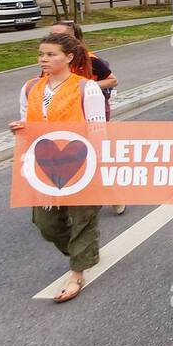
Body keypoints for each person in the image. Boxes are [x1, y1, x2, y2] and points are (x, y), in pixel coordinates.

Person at [9, 33, 107, 303]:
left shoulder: (86, 88)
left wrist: (97, 164)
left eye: (51, 54)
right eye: (41, 54)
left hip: (80, 163)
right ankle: (82, 252)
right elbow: (27, 123)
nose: (44, 59)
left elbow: (98, 130)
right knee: (46, 223)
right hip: (44, 165)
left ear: (69, 57)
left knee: (83, 218)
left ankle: (77, 271)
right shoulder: (30, 88)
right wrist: (18, 130)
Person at [50, 19, 122, 214]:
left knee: (95, 156)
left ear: (73, 39)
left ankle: (113, 194)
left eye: (59, 36)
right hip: (64, 115)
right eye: (51, 35)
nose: (52, 39)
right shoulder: (50, 61)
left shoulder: (89, 59)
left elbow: (112, 80)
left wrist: (85, 88)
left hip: (91, 113)